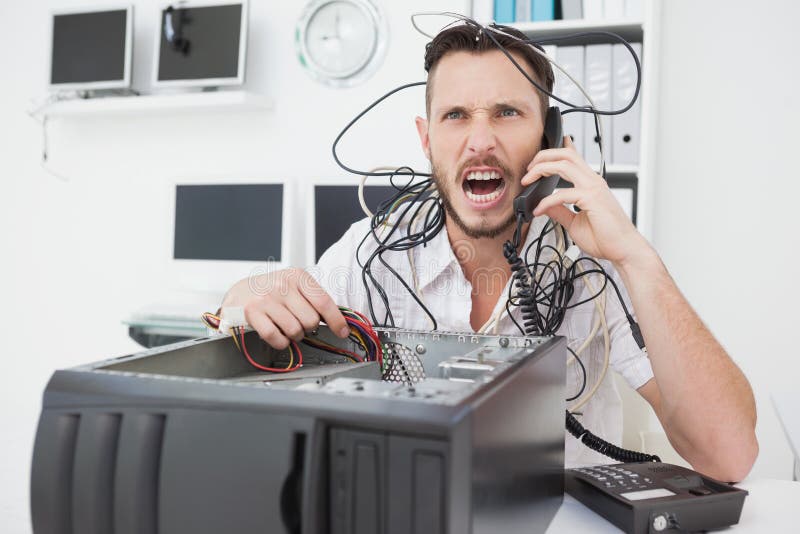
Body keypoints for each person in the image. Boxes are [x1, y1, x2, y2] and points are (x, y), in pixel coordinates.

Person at [220, 23, 757, 481]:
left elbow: (728, 455)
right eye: (456, 115)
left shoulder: (595, 265)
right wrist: (251, 293)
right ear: (427, 140)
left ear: (552, 140)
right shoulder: (372, 253)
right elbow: (251, 305)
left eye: (506, 112)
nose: (480, 141)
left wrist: (636, 256)